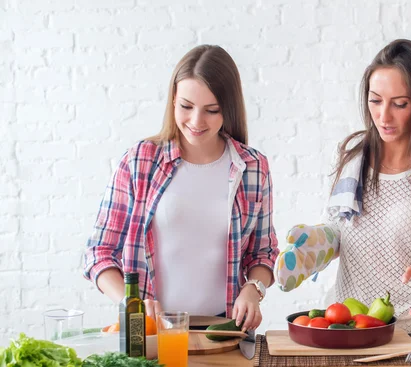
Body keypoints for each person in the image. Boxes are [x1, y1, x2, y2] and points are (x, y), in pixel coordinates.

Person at [276, 39, 411, 335]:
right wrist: (314, 246)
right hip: (345, 326)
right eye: (375, 100)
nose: (384, 116)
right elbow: (338, 230)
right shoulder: (351, 158)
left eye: (400, 104)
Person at [84, 45, 278, 332]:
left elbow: (263, 253)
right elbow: (99, 253)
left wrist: (254, 289)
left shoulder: (252, 167)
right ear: (173, 100)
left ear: (229, 108)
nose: (196, 122)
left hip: (223, 333)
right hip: (151, 333)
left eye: (212, 110)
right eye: (186, 106)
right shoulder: (140, 161)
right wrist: (131, 302)